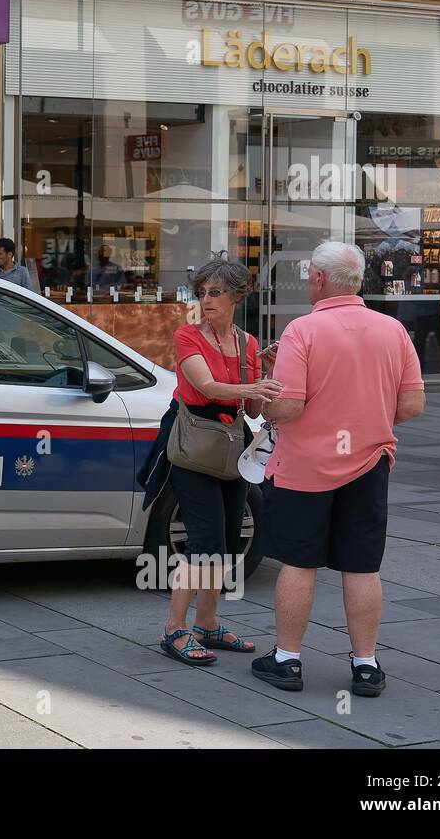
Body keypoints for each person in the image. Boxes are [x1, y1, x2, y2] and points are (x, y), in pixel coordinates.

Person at [253, 242, 426, 698]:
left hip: (305, 468)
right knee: (363, 566)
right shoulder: (393, 330)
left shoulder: (302, 331)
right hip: (369, 463)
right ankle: (366, 665)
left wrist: (268, 397)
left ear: (318, 279)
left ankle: (287, 660)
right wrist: (364, 411)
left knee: (299, 563)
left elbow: (288, 406)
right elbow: (412, 404)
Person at [144, 260, 282, 665]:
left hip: (231, 447)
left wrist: (267, 373)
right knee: (202, 542)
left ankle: (207, 622)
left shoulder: (249, 344)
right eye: (202, 292)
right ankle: (174, 628)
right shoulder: (188, 336)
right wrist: (251, 383)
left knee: (224, 539)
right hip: (193, 445)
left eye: (215, 292)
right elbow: (206, 386)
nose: (206, 300)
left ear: (238, 296)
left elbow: (254, 406)